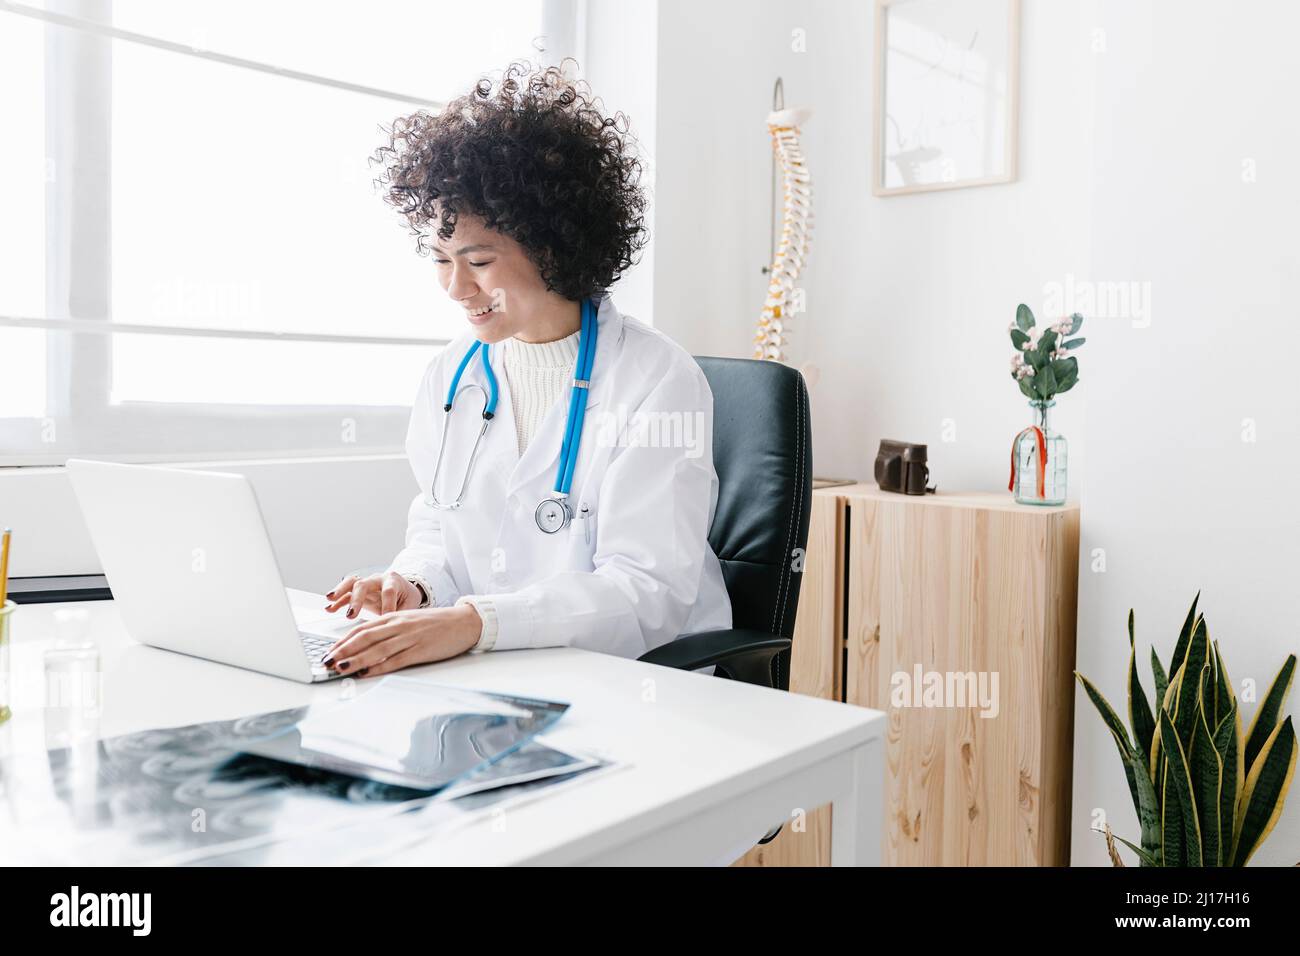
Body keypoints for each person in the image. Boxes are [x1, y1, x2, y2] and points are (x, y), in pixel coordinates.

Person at [319, 61, 732, 678]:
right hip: (501, 676)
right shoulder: (451, 376)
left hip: (640, 683)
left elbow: (645, 591)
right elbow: (439, 522)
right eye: (439, 260)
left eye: (478, 261)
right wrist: (414, 585)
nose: (456, 288)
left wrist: (477, 623)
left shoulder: (656, 381)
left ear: (552, 246)